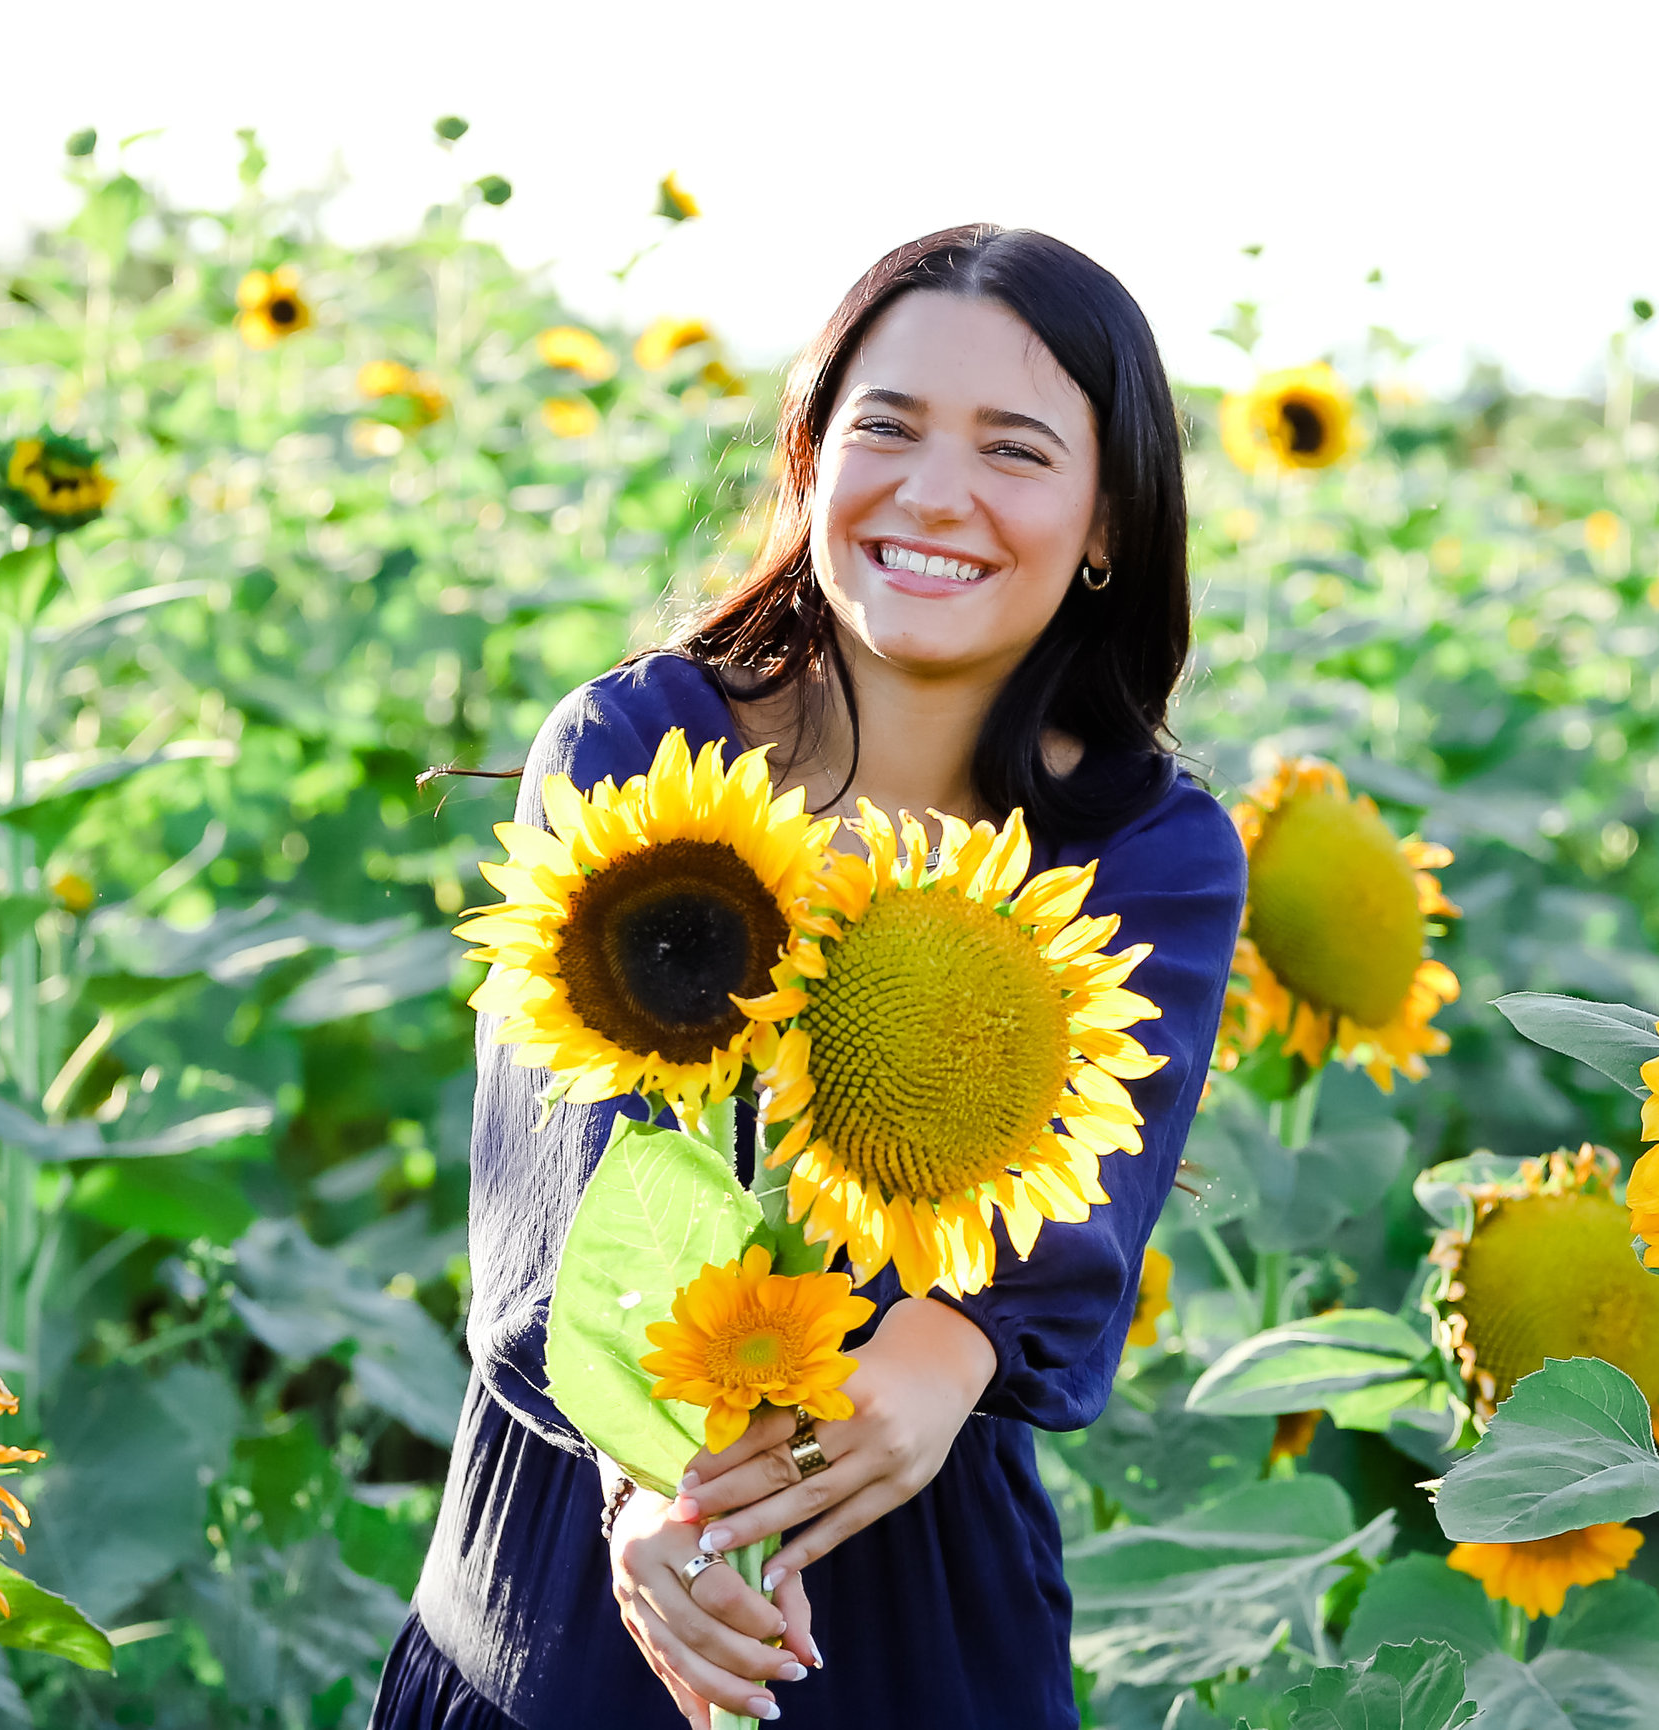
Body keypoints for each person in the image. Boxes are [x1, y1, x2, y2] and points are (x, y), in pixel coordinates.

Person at [372, 225, 1246, 1729]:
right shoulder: (637, 753)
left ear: (1107, 519)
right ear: (810, 456)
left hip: (909, 1616)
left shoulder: (1143, 850)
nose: (934, 493)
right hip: (579, 1591)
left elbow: (1078, 1221)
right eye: (886, 429)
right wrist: (657, 1481)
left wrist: (932, 1352)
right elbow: (566, 1181)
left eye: (1015, 450)